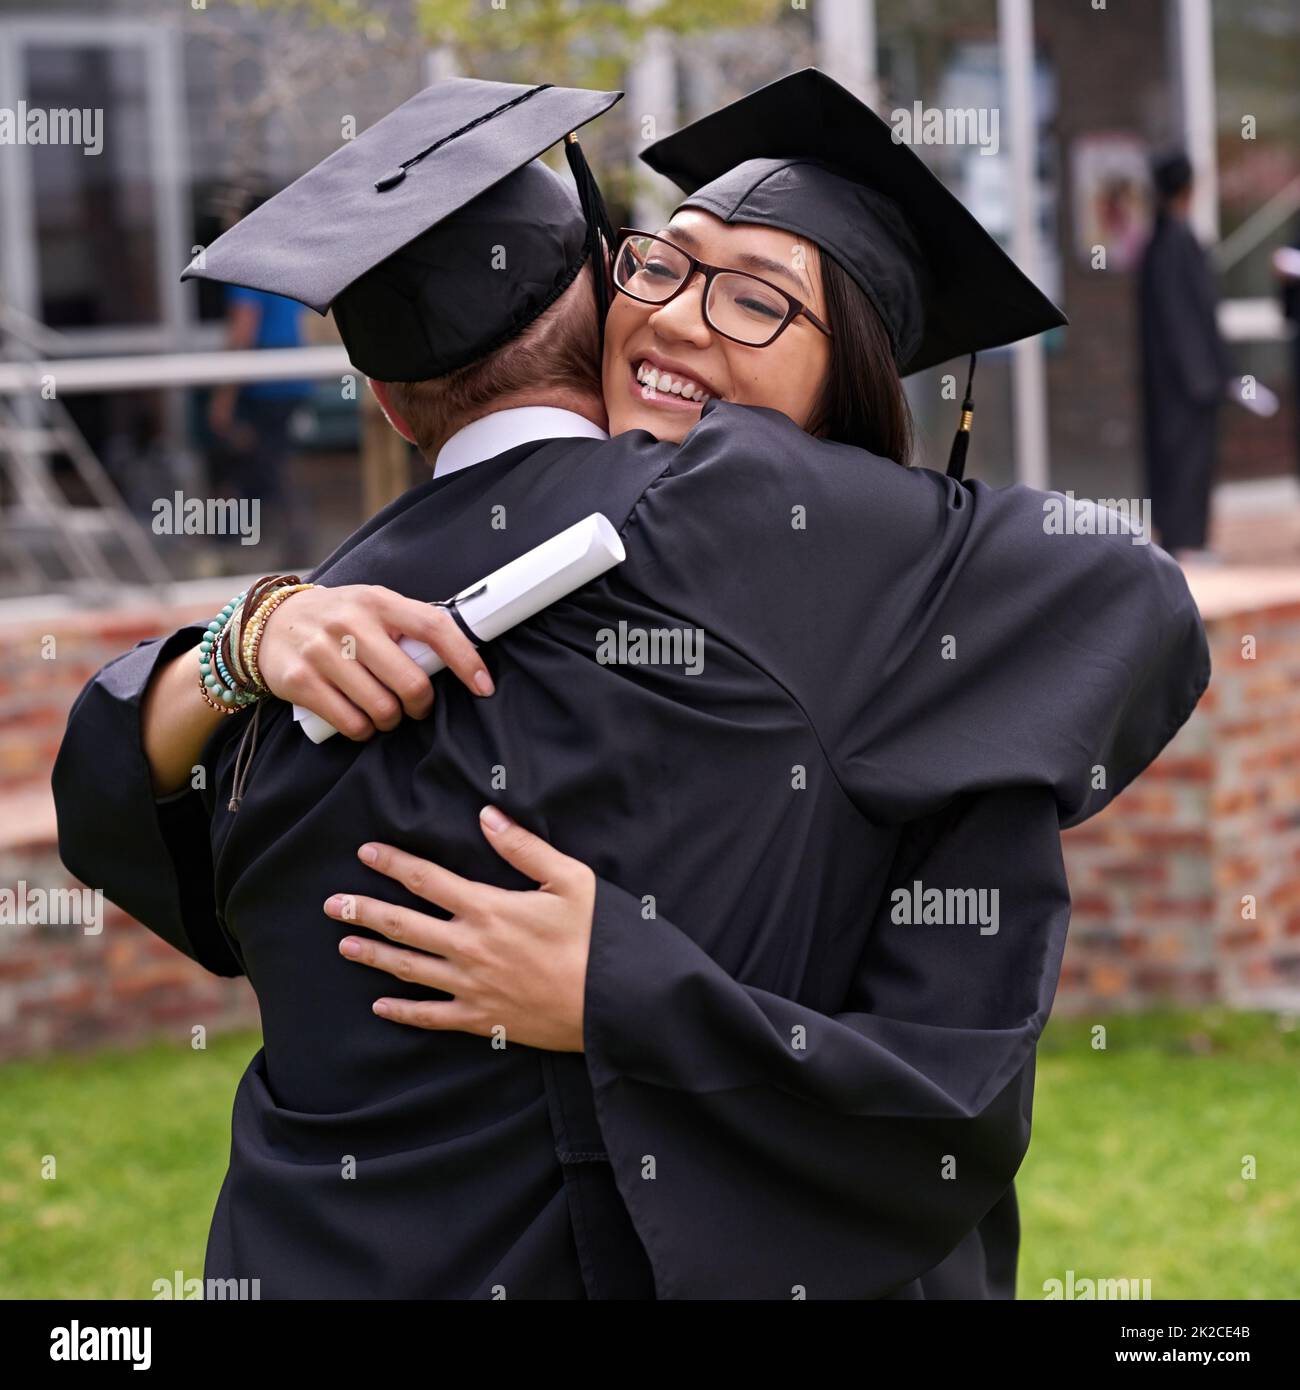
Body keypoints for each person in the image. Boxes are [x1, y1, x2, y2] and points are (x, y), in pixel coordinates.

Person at [54, 71, 1210, 1299]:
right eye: (662, 266)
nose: (682, 318)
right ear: (601, 287)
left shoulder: (829, 574)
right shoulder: (350, 623)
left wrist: (618, 986)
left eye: (760, 300)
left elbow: (114, 810)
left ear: (388, 401)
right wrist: (252, 631)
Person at [1137, 150, 1233, 561]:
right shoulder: (1172, 241)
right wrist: (1203, 379)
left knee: (1182, 460)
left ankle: (1186, 538)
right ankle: (1185, 542)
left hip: (1175, 381)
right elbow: (1181, 319)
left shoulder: (1163, 238)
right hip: (1185, 384)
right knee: (1183, 462)